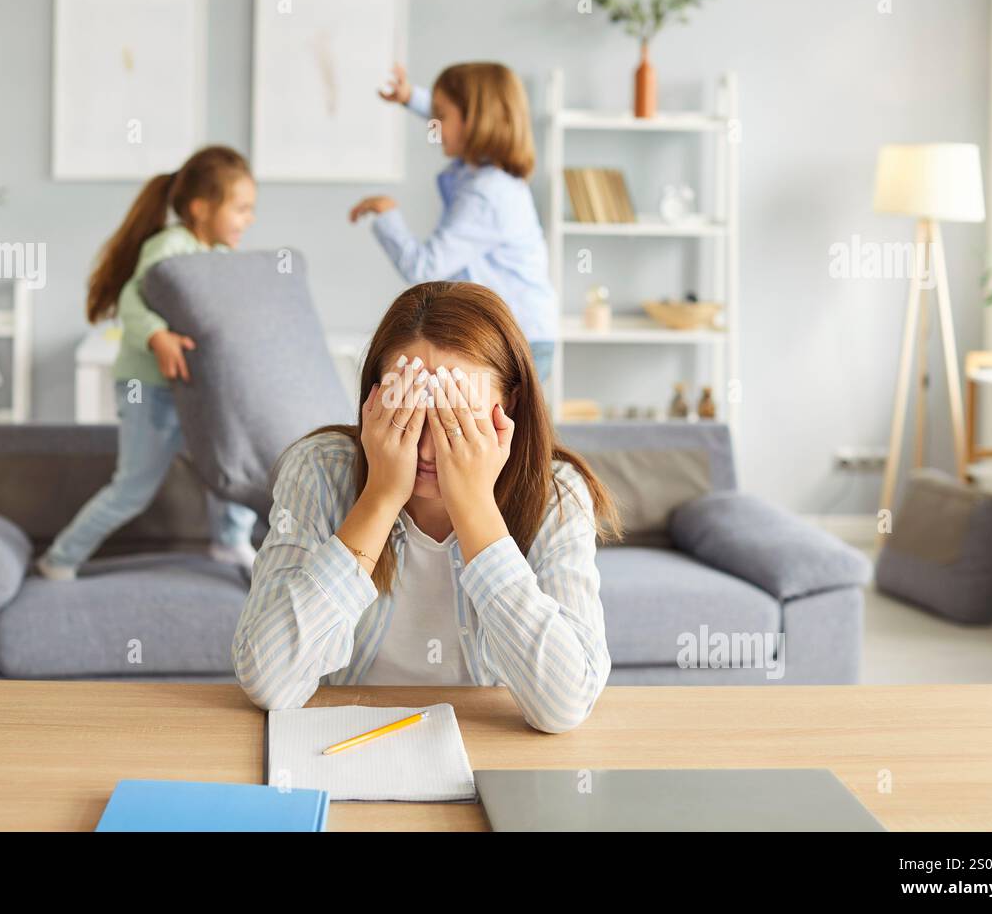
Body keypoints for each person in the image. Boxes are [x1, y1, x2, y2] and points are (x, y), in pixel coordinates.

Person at [233, 281, 621, 733]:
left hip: (488, 747)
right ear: (374, 399)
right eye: (409, 413)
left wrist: (474, 506)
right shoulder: (319, 469)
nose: (430, 452)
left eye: (457, 418)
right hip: (341, 738)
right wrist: (379, 498)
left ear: (508, 403)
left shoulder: (555, 494)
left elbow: (565, 705)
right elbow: (269, 682)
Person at [36, 146, 260, 580]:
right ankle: (59, 559)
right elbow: (131, 299)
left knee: (233, 466)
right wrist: (157, 336)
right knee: (134, 486)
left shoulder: (222, 258)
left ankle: (230, 540)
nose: (249, 219)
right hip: (151, 389)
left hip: (200, 389)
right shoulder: (170, 246)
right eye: (241, 208)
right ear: (200, 208)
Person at [349, 61, 558, 384]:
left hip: (520, 341)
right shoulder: (484, 175)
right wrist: (409, 98)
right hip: (520, 333)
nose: (433, 125)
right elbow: (455, 116)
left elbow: (424, 268)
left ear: (476, 122)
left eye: (440, 116)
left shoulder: (487, 196)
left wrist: (388, 215)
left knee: (495, 432)